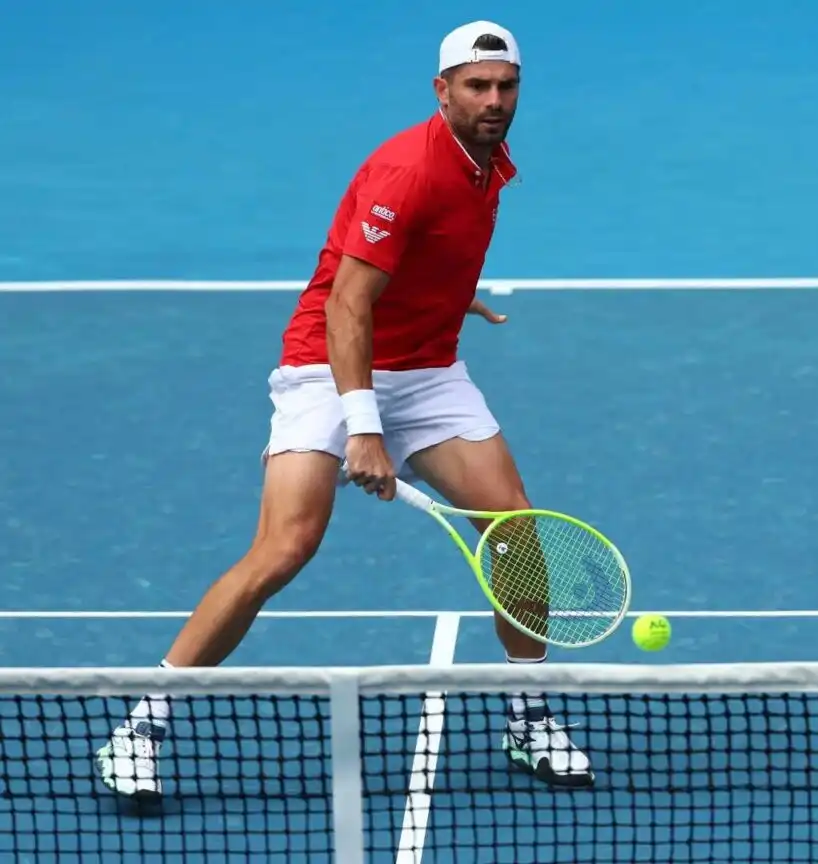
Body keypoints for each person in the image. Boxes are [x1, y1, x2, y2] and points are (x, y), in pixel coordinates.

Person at [95, 20, 595, 802]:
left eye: (506, 87)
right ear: (442, 90)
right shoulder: (408, 170)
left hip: (426, 369)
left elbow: (422, 259)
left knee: (518, 534)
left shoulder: (489, 164)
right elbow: (347, 307)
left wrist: (448, 301)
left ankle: (528, 715)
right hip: (326, 367)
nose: (494, 101)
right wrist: (362, 425)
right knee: (285, 548)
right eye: (476, 87)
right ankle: (142, 726)